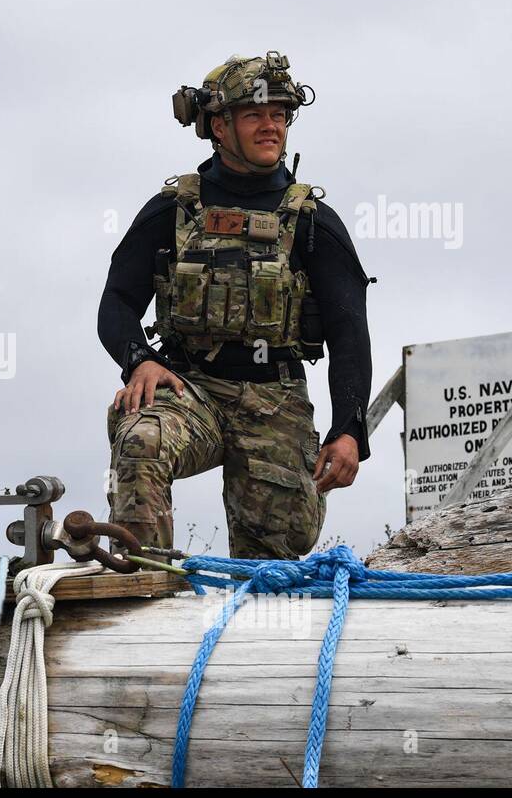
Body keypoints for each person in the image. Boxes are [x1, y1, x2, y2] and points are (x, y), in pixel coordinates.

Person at [99, 52, 372, 558]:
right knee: (141, 438)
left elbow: (349, 331)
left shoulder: (313, 221)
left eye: (279, 114)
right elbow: (116, 301)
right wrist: (140, 361)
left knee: (274, 558)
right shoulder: (173, 210)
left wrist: (349, 430)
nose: (271, 126)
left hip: (275, 401)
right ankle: (141, 580)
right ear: (219, 126)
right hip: (191, 391)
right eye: (255, 115)